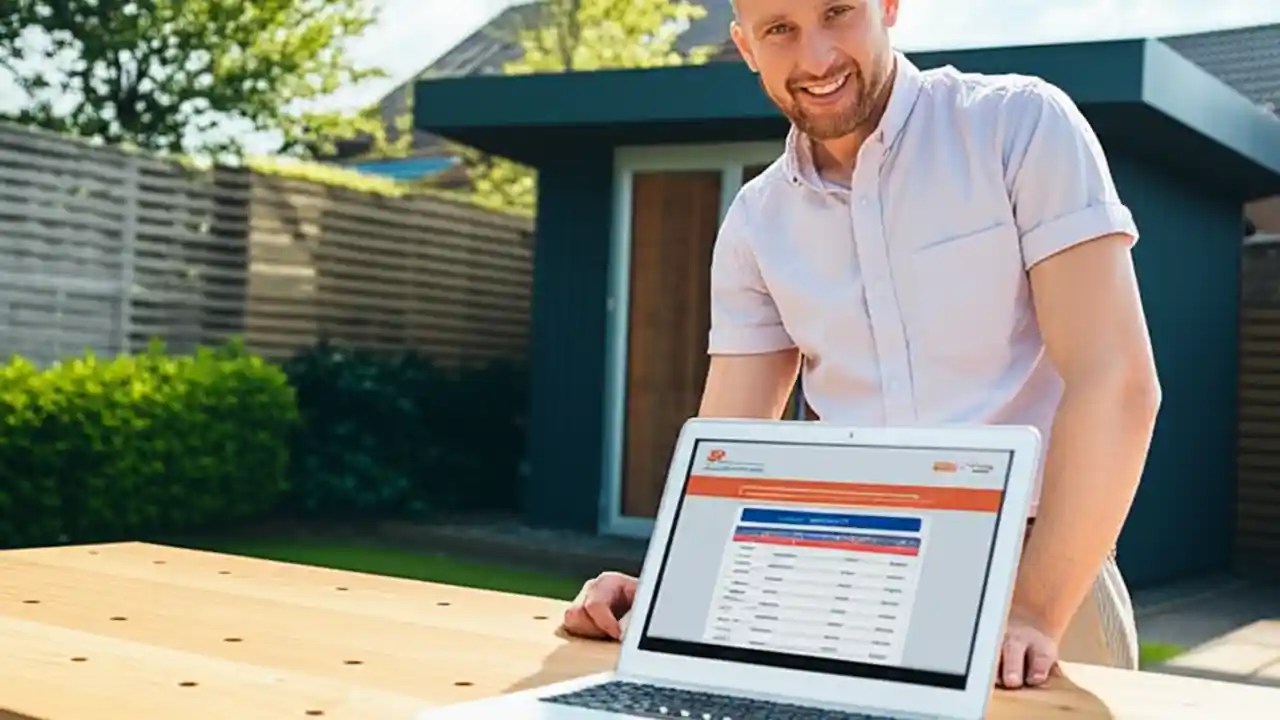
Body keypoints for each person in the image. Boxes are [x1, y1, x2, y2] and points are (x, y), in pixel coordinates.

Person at [562, 0, 1161, 692]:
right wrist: (670, 583)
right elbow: (731, 445)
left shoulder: (1018, 127)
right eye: (780, 30)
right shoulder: (758, 222)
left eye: (837, 12)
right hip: (850, 587)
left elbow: (1114, 382)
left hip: (1042, 581)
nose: (815, 59)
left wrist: (1032, 609)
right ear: (746, 47)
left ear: (888, 6)